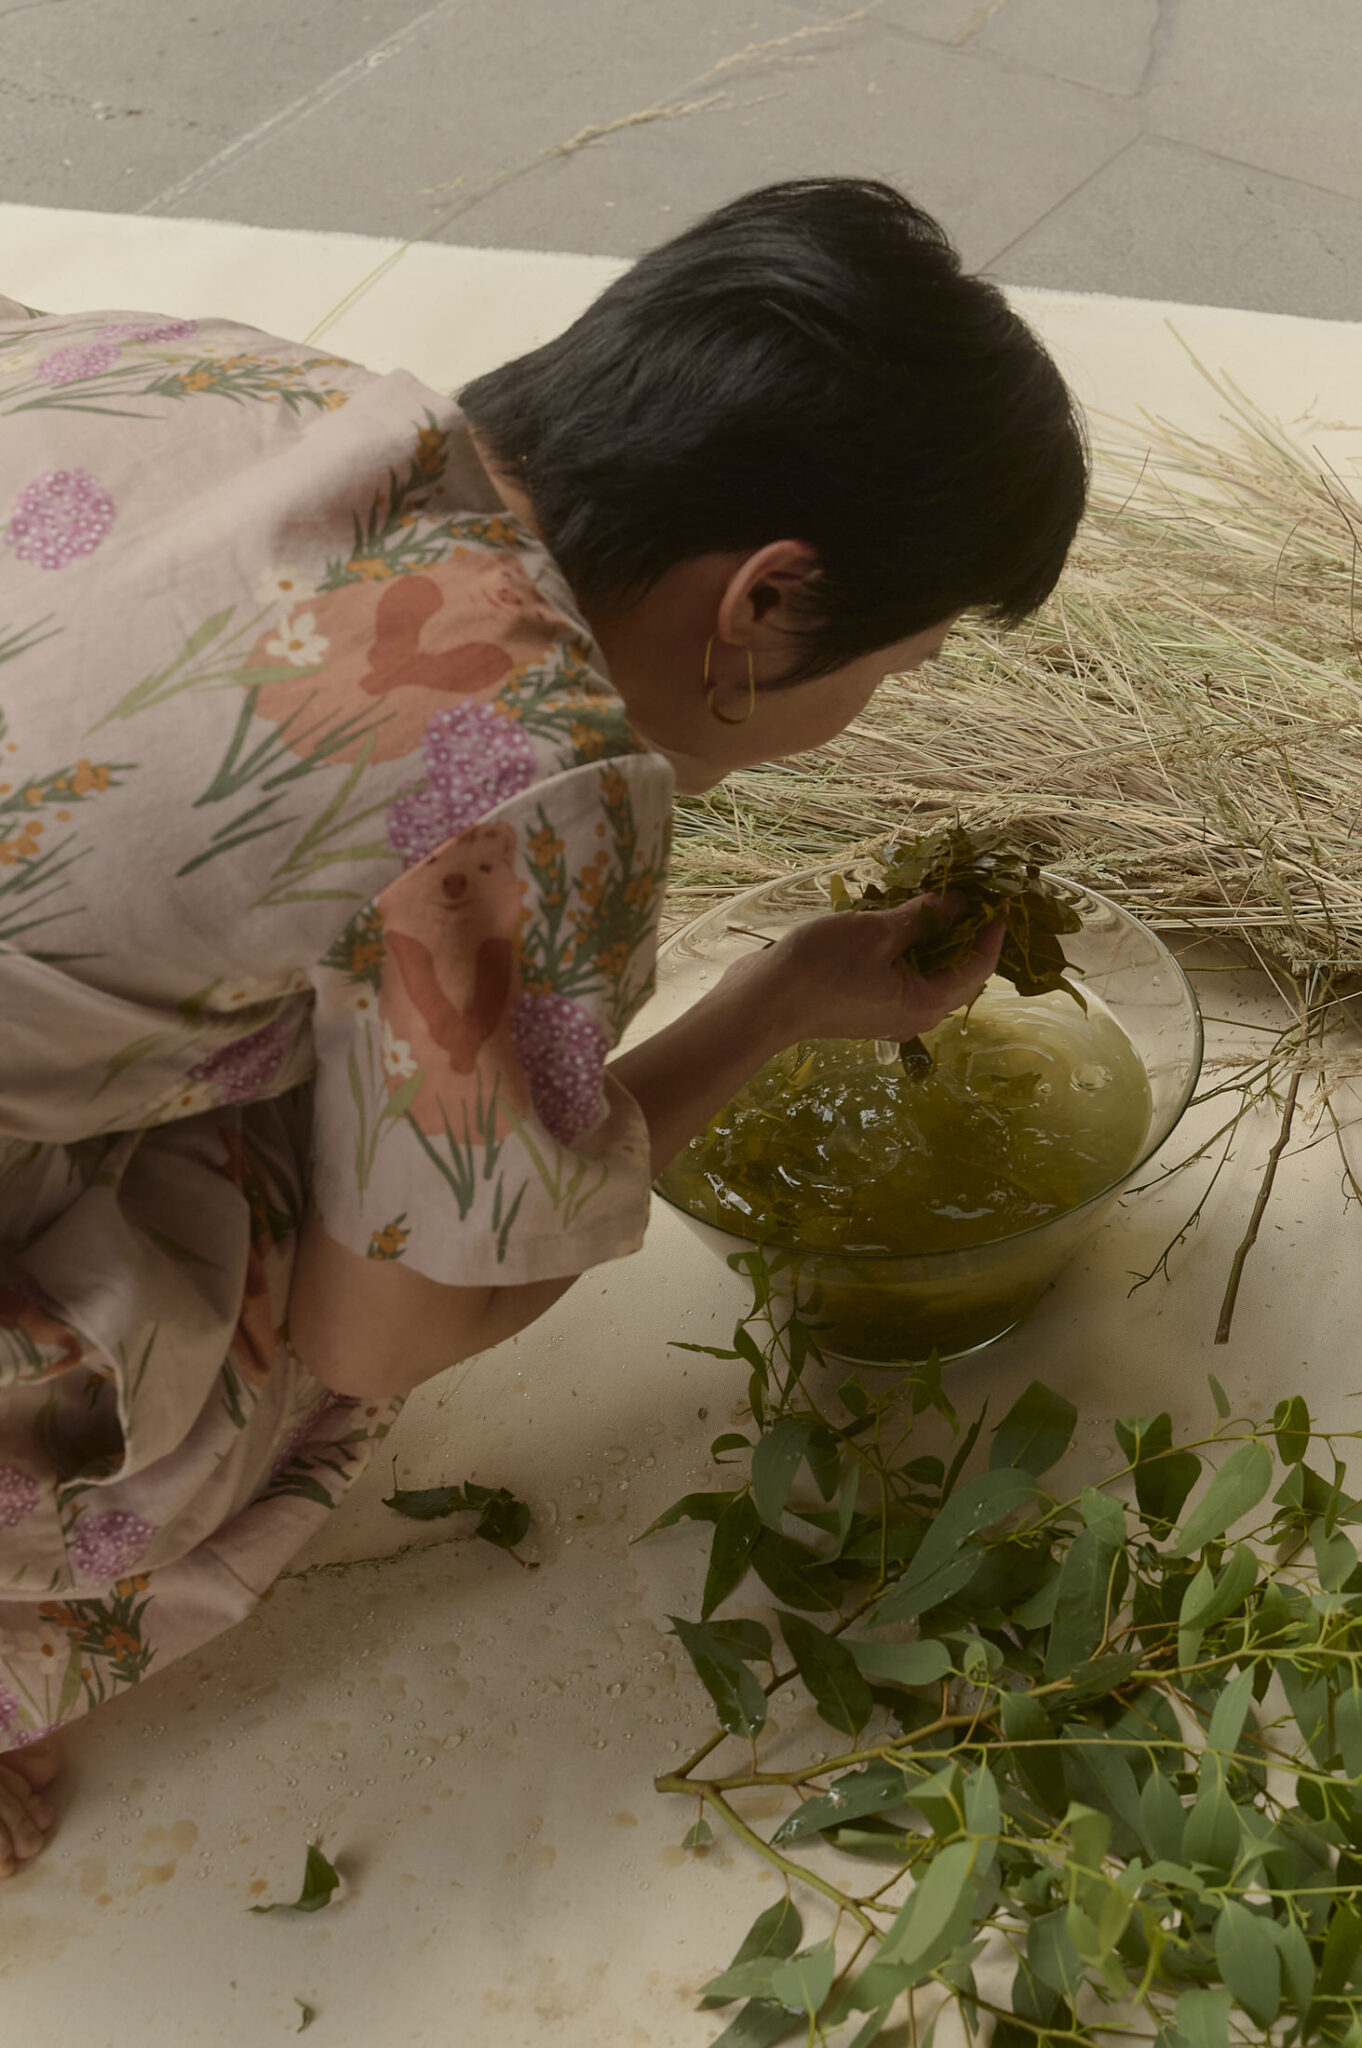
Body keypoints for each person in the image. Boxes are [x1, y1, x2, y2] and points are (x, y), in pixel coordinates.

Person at [0, 176, 1086, 1872]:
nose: (871, 715)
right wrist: (766, 1011)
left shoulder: (223, 374)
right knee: (284, 1307)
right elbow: (389, 1335)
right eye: (899, 663)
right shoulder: (529, 762)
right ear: (764, 601)